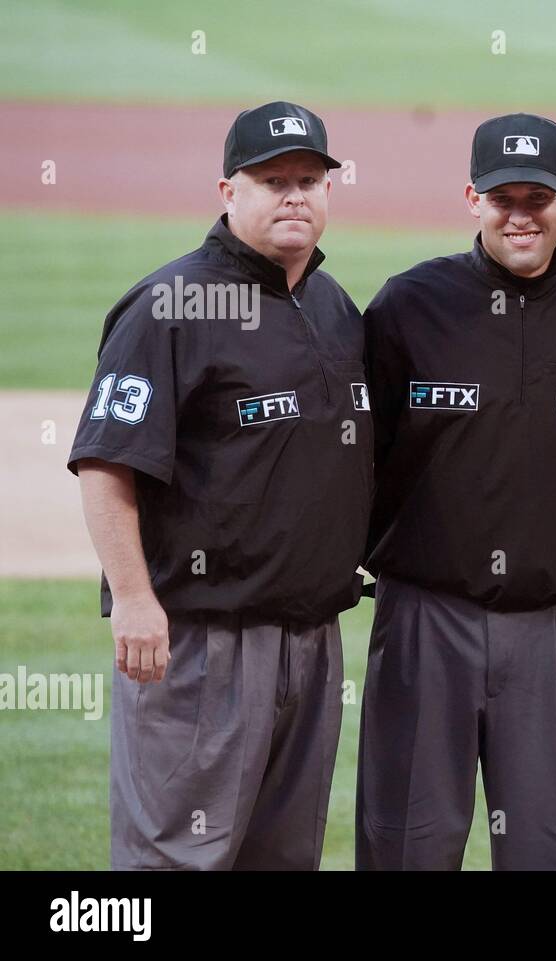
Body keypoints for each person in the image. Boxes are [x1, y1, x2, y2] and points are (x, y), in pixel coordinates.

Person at [68, 101, 371, 870]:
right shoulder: (170, 308)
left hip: (311, 643)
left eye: (309, 178)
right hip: (203, 643)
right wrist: (134, 598)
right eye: (272, 180)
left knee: (282, 857)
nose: (294, 194)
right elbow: (107, 463)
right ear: (227, 190)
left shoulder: (333, 309)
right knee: (176, 855)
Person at [355, 113, 556, 871]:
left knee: (544, 852)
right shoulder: (408, 305)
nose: (520, 214)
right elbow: (353, 451)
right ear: (472, 198)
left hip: (549, 631)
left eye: (537, 197)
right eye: (502, 198)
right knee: (406, 849)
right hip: (424, 618)